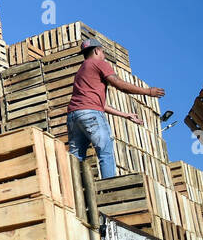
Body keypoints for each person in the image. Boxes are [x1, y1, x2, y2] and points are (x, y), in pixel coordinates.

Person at [66, 38, 166, 179]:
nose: (104, 55)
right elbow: (118, 84)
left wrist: (125, 115)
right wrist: (148, 92)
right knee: (105, 151)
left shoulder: (81, 71)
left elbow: (101, 104)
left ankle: (73, 195)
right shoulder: (100, 63)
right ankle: (110, 190)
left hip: (73, 116)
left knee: (76, 158)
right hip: (91, 114)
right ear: (96, 50)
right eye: (103, 52)